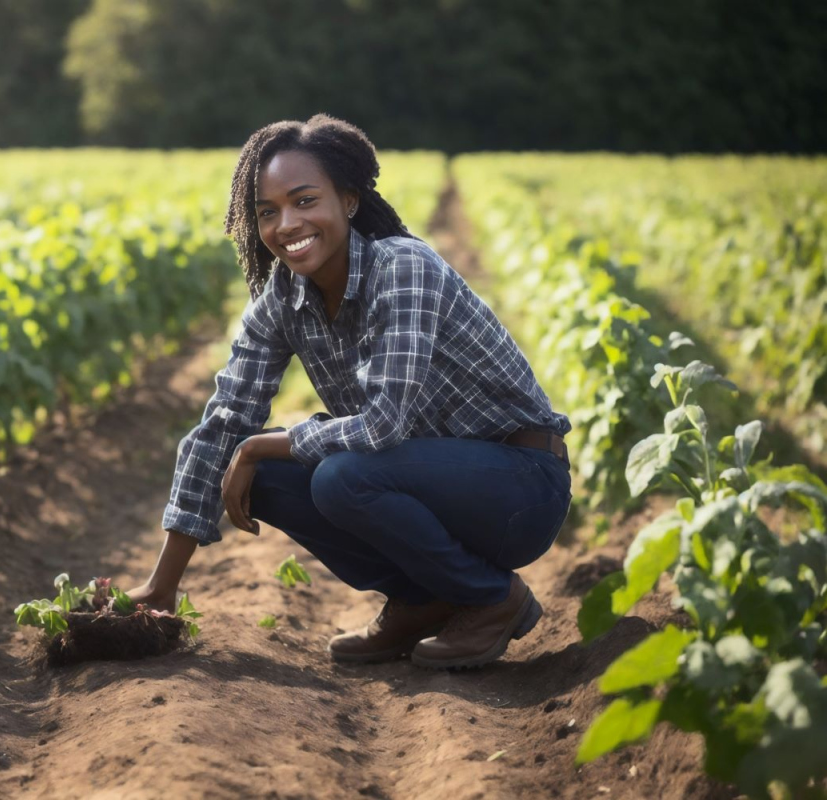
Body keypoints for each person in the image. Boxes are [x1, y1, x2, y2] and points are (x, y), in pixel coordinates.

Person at [126, 114, 572, 670]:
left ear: (350, 201)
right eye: (268, 212)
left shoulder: (403, 266)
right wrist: (161, 588)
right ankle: (421, 600)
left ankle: (491, 598)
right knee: (257, 473)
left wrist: (261, 443)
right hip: (423, 486)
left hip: (518, 488)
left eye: (305, 201)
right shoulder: (280, 300)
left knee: (341, 475)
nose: (287, 224)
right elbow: (223, 423)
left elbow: (383, 425)